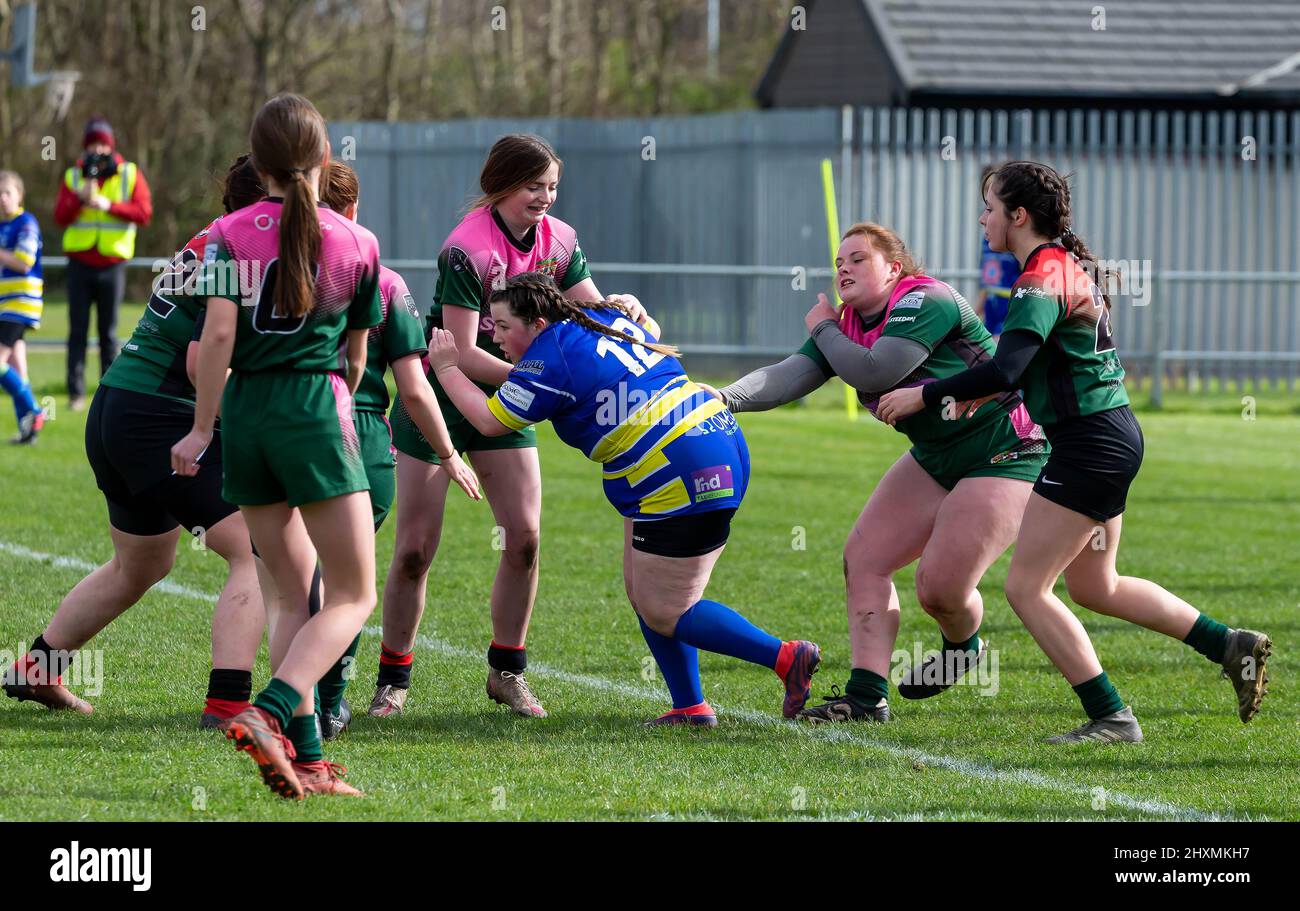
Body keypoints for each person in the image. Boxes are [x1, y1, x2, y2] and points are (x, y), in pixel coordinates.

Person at [877, 161, 1272, 742]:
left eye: (989, 206)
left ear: (1018, 215)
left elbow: (1008, 364)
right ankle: (1227, 644)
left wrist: (924, 395)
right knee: (1095, 587)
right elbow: (1025, 368)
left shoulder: (1041, 276)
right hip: (1109, 436)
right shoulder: (1060, 267)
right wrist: (972, 394)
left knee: (1024, 588)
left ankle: (1111, 716)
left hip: (1089, 446)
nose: (981, 218)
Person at [427, 272, 821, 727]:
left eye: (500, 325)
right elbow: (646, 329)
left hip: (676, 463)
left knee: (667, 608)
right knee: (643, 591)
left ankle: (785, 657)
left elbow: (489, 421)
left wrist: (448, 368)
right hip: (710, 437)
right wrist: (632, 303)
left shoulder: (547, 359)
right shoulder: (596, 316)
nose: (493, 336)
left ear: (537, 323)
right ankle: (689, 706)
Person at [712, 222, 1047, 723]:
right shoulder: (846, 322)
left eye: (858, 259)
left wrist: (822, 328)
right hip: (936, 453)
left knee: (938, 589)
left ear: (894, 267)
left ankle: (964, 647)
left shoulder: (924, 299)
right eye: (838, 262)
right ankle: (866, 697)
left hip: (1002, 448)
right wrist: (721, 398)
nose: (843, 267)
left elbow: (875, 371)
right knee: (864, 557)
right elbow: (790, 376)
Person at [375, 134, 646, 719]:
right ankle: (392, 679)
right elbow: (464, 354)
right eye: (533, 186)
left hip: (513, 392)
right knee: (415, 551)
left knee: (524, 539)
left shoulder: (561, 238)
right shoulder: (466, 249)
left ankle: (508, 673)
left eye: (552, 186)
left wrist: (623, 312)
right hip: (443, 393)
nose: (545, 197)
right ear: (500, 186)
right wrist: (544, 381)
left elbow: (587, 309)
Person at [1, 156, 267, 727]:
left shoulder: (208, 240)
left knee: (140, 564)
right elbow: (202, 362)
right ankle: (227, 705)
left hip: (116, 407)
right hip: (158, 416)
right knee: (256, 550)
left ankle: (37, 667)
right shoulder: (243, 250)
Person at [172, 93, 381, 798]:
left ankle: (310, 759)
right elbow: (355, 360)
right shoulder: (357, 242)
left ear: (256, 162)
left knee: (293, 593)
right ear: (324, 160)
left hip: (248, 414)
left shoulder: (227, 233)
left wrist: (204, 428)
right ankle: (268, 710)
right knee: (352, 594)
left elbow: (220, 340)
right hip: (313, 407)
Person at [312, 161, 481, 739]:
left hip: (276, 428)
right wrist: (448, 453)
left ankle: (248, 694)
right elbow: (413, 388)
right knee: (345, 583)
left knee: (288, 581)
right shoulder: (380, 279)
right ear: (355, 211)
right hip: (356, 438)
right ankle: (327, 700)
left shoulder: (266, 269)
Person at [54, 116, 152, 411]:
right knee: (77, 331)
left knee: (109, 334)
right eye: (92, 144)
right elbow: (60, 217)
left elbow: (144, 213)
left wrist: (109, 206)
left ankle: (108, 392)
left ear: (111, 146)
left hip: (112, 264)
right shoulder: (74, 176)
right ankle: (75, 394)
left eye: (102, 144)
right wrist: (78, 200)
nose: (97, 149)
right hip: (79, 264)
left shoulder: (129, 174)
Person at [0, 170, 45, 443]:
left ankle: (34, 410)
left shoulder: (26, 222)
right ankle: (28, 429)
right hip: (5, 306)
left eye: (7, 193)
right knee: (17, 369)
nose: (2, 199)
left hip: (20, 305)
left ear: (20, 196)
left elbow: (24, 261)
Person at [977, 163, 1021, 339]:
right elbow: (987, 279)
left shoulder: (1015, 240)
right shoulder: (988, 240)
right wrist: (976, 310)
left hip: (1011, 305)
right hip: (991, 305)